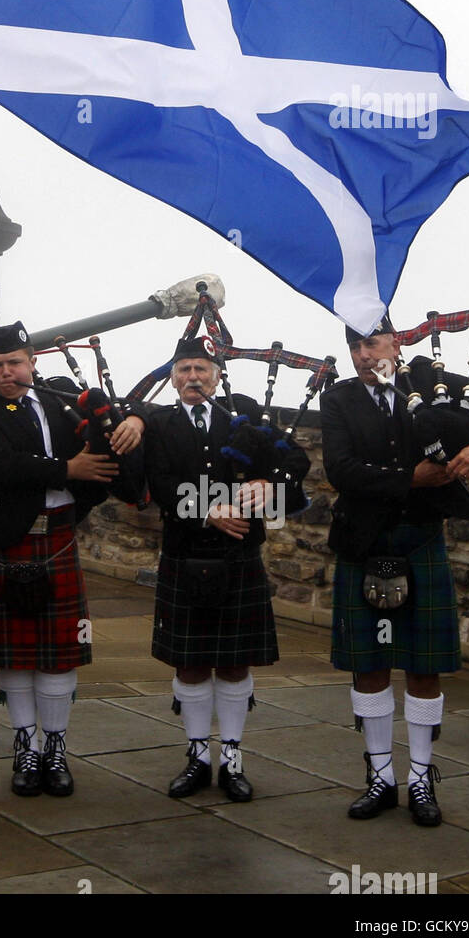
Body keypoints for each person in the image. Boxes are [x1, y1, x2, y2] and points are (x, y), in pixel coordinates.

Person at [320, 320, 469, 827]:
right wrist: (411, 478)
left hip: (421, 539)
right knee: (371, 667)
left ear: (395, 343)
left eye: (373, 343)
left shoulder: (429, 381)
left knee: (424, 668)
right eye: (355, 346)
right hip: (364, 541)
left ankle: (422, 778)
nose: (365, 355)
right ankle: (381, 776)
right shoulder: (339, 398)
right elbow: (341, 471)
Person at [125, 335, 308, 803]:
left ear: (217, 375)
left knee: (233, 663)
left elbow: (296, 460)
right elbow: (160, 483)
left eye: (201, 370)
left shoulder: (242, 420)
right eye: (183, 370)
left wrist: (270, 482)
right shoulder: (160, 423)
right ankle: (196, 757)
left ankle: (231, 758)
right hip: (185, 556)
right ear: (172, 379)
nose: (192, 378)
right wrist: (208, 510)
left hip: (239, 558)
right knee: (190, 664)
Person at [0, 322, 124, 797]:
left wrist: (135, 421)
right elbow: (3, 468)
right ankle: (25, 747)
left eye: (15, 363)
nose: (7, 373)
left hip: (59, 537)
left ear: (32, 361)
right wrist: (68, 469)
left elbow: (112, 419)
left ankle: (56, 748)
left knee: (58, 655)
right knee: (16, 655)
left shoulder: (60, 397)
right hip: (7, 538)